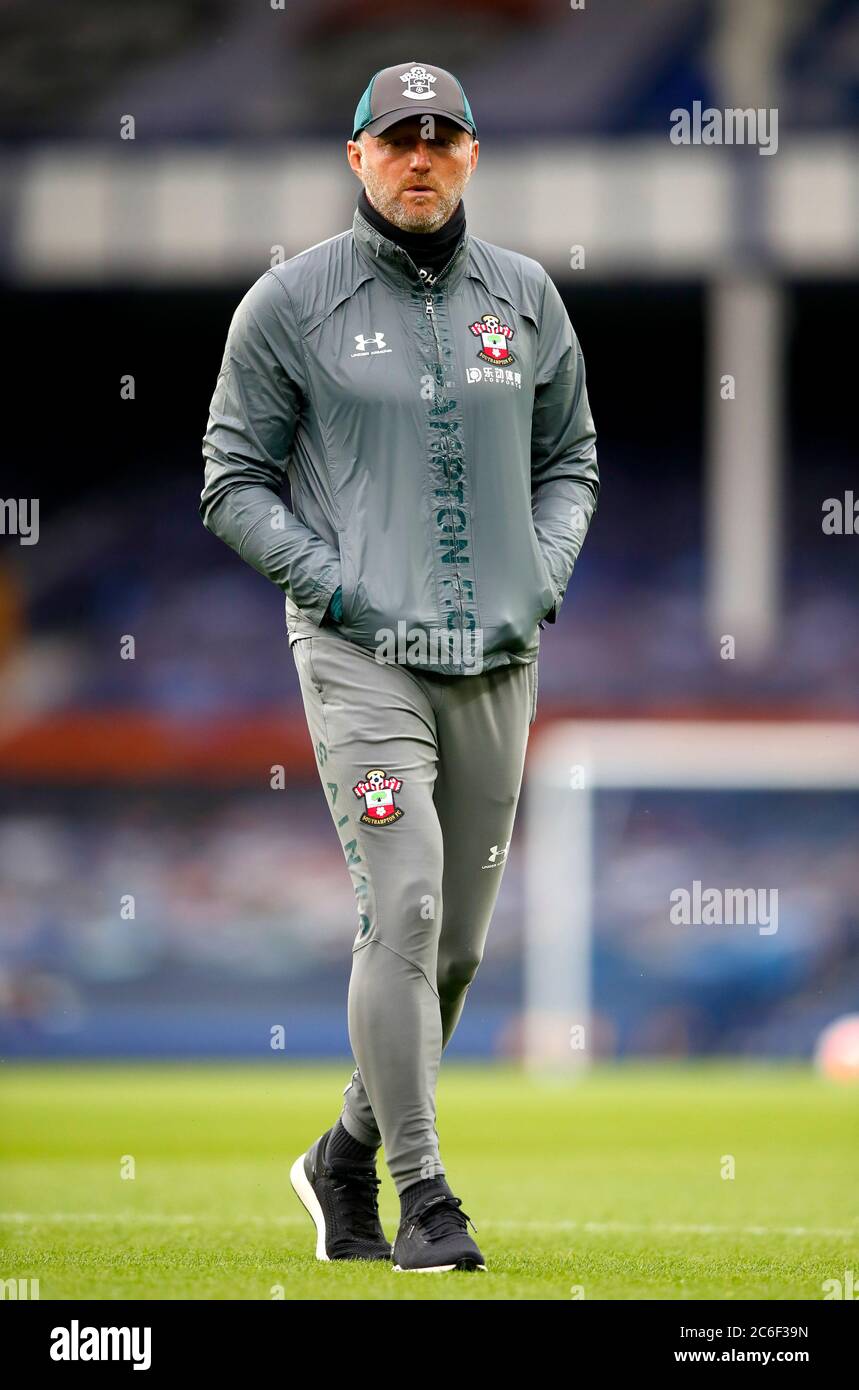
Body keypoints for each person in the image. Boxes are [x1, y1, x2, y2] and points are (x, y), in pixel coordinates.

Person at [200, 60, 599, 1272]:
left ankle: (341, 1149)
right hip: (361, 660)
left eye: (442, 136)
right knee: (409, 902)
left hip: (494, 659)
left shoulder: (526, 300)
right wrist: (336, 592)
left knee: (459, 948)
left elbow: (570, 460)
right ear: (356, 156)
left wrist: (542, 573)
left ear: (473, 154)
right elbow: (230, 481)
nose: (418, 157)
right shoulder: (289, 303)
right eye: (396, 138)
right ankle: (424, 1197)